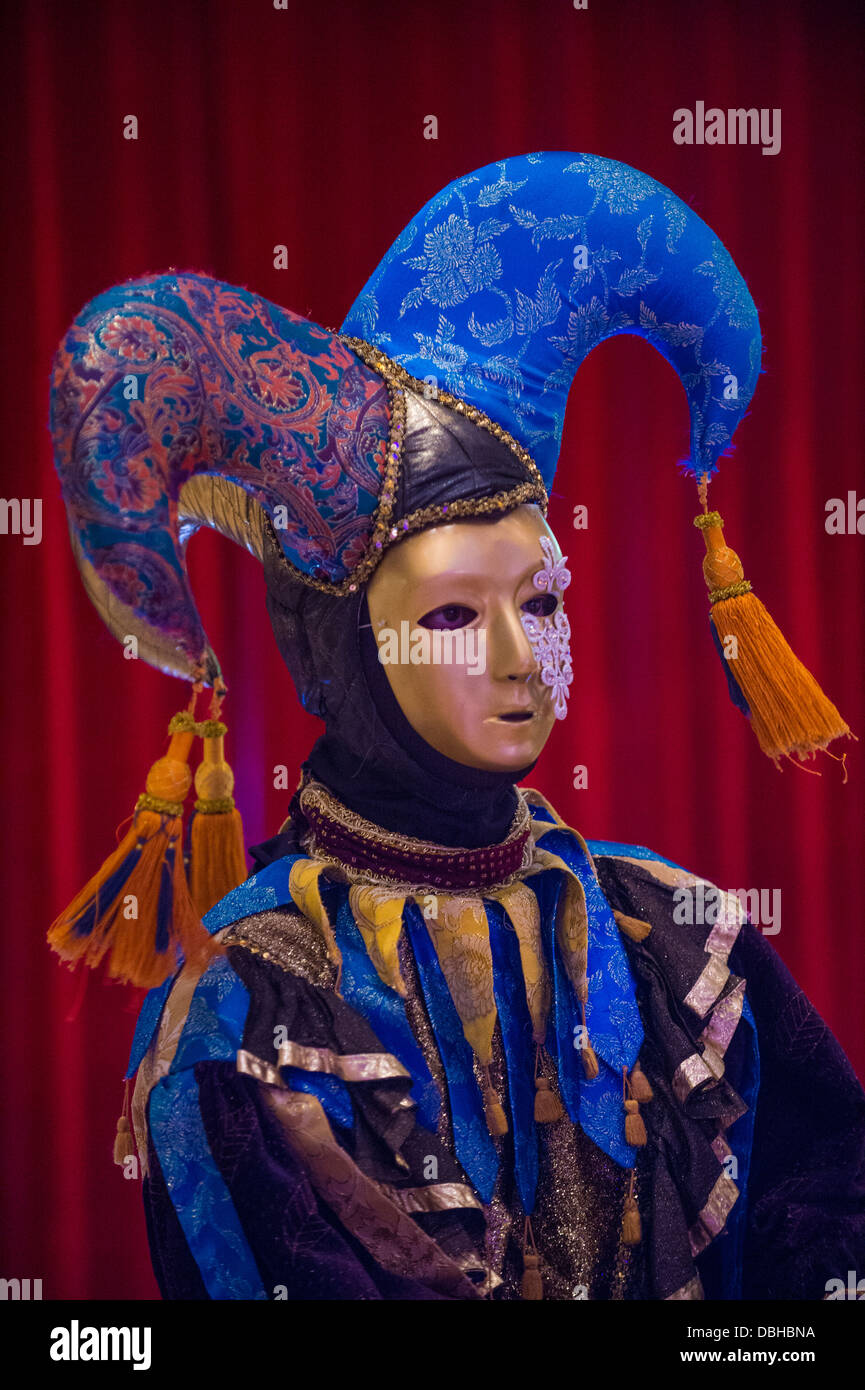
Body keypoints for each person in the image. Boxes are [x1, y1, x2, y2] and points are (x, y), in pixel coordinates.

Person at [48, 153, 865, 1300]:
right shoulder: (253, 1005)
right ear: (346, 651)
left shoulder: (675, 940)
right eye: (448, 612)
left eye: (538, 599)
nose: (517, 655)